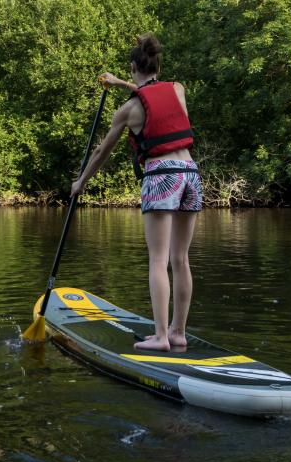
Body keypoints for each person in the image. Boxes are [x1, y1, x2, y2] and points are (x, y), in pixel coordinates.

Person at [71, 34, 202, 351]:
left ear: (133, 68)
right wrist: (120, 84)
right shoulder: (178, 89)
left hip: (161, 176)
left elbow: (102, 152)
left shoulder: (127, 111)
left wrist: (81, 182)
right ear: (157, 65)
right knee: (180, 259)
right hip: (190, 175)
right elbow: (154, 96)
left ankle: (159, 337)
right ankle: (178, 332)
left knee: (158, 260)